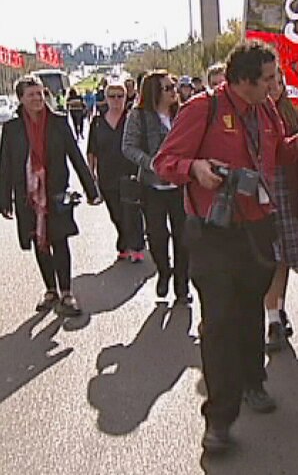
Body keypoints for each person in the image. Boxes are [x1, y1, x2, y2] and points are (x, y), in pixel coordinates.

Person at [152, 40, 298, 453]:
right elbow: (164, 162)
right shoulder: (203, 109)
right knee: (220, 323)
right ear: (244, 80)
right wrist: (194, 168)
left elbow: (275, 155)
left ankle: (253, 382)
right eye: (268, 78)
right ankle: (219, 418)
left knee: (249, 311)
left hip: (258, 228)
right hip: (214, 232)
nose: (274, 85)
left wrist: (296, 144)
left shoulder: (265, 110)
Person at [0, 75, 101, 317]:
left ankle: (66, 292)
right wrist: (4, 200)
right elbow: (5, 165)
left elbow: (75, 156)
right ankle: (50, 290)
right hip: (28, 197)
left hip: (55, 194)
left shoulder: (58, 123)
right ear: (21, 98)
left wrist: (91, 190)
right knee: (39, 242)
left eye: (40, 93)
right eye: (31, 94)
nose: (37, 98)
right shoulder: (12, 129)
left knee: (60, 240)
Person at [122, 71, 190, 303]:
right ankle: (164, 271)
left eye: (174, 86)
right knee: (157, 236)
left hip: (180, 186)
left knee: (184, 237)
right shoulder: (138, 116)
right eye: (168, 88)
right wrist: (151, 163)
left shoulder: (183, 113)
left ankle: (182, 285)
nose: (174, 92)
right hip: (152, 187)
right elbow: (128, 147)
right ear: (154, 92)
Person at [264, 67, 298, 352]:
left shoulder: (293, 114)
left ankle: (277, 312)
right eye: (268, 80)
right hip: (260, 194)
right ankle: (272, 316)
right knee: (268, 258)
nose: (274, 85)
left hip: (288, 191)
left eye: (278, 80)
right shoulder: (251, 114)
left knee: (282, 257)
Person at [87, 81, 145, 262]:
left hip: (130, 172)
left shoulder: (133, 119)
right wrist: (92, 173)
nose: (116, 100)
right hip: (107, 174)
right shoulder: (97, 122)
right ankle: (124, 242)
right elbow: (92, 150)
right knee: (116, 213)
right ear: (106, 98)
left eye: (120, 96)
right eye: (112, 96)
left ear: (126, 97)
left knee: (132, 211)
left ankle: (135, 247)